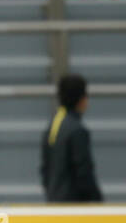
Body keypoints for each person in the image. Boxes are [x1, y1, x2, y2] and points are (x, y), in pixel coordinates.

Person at [41, 74, 102, 202]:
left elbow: (45, 170)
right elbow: (84, 173)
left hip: (54, 203)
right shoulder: (77, 130)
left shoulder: (53, 126)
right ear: (81, 99)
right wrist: (97, 201)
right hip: (74, 206)